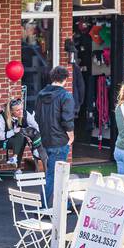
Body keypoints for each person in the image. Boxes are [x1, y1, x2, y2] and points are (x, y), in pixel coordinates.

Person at [34, 65, 76, 206]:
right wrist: (71, 136)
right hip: (59, 140)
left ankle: (60, 202)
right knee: (56, 175)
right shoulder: (66, 96)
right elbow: (67, 120)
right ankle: (47, 204)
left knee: (52, 174)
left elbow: (37, 117)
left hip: (45, 139)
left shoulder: (40, 94)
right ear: (65, 79)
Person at [0, 96, 42, 169]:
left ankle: (17, 158)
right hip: (4, 141)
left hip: (20, 139)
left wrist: (31, 137)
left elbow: (36, 127)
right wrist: (13, 132)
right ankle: (17, 167)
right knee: (20, 136)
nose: (21, 111)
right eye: (18, 110)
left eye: (21, 109)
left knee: (22, 137)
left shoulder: (25, 113)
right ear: (11, 111)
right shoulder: (2, 117)